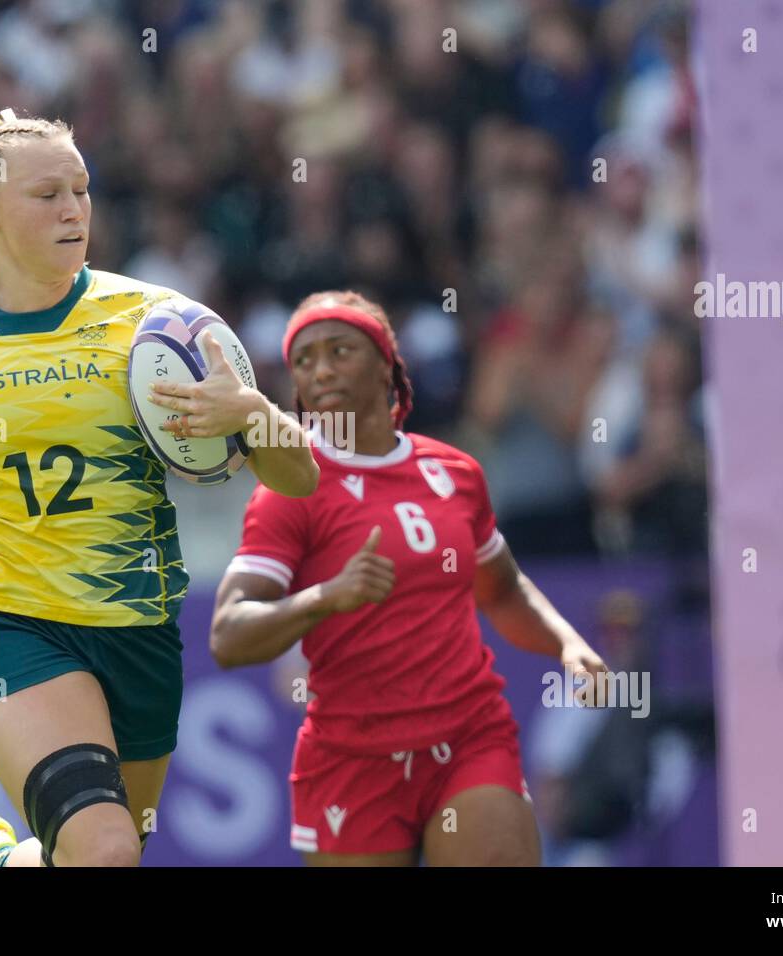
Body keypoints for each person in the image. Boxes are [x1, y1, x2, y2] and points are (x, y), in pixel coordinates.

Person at [0, 110, 317, 868]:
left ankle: (2, 861)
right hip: (6, 622)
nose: (73, 210)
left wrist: (252, 414)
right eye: (48, 193)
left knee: (96, 857)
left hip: (139, 633)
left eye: (82, 191)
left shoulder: (158, 323)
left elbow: (300, 477)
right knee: (105, 847)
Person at [210, 290, 607, 866]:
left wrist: (568, 644)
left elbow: (502, 590)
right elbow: (227, 635)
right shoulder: (289, 492)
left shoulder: (455, 472)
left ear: (385, 366)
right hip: (352, 758)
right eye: (304, 359)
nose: (320, 369)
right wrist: (328, 596)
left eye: (340, 350)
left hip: (468, 735)